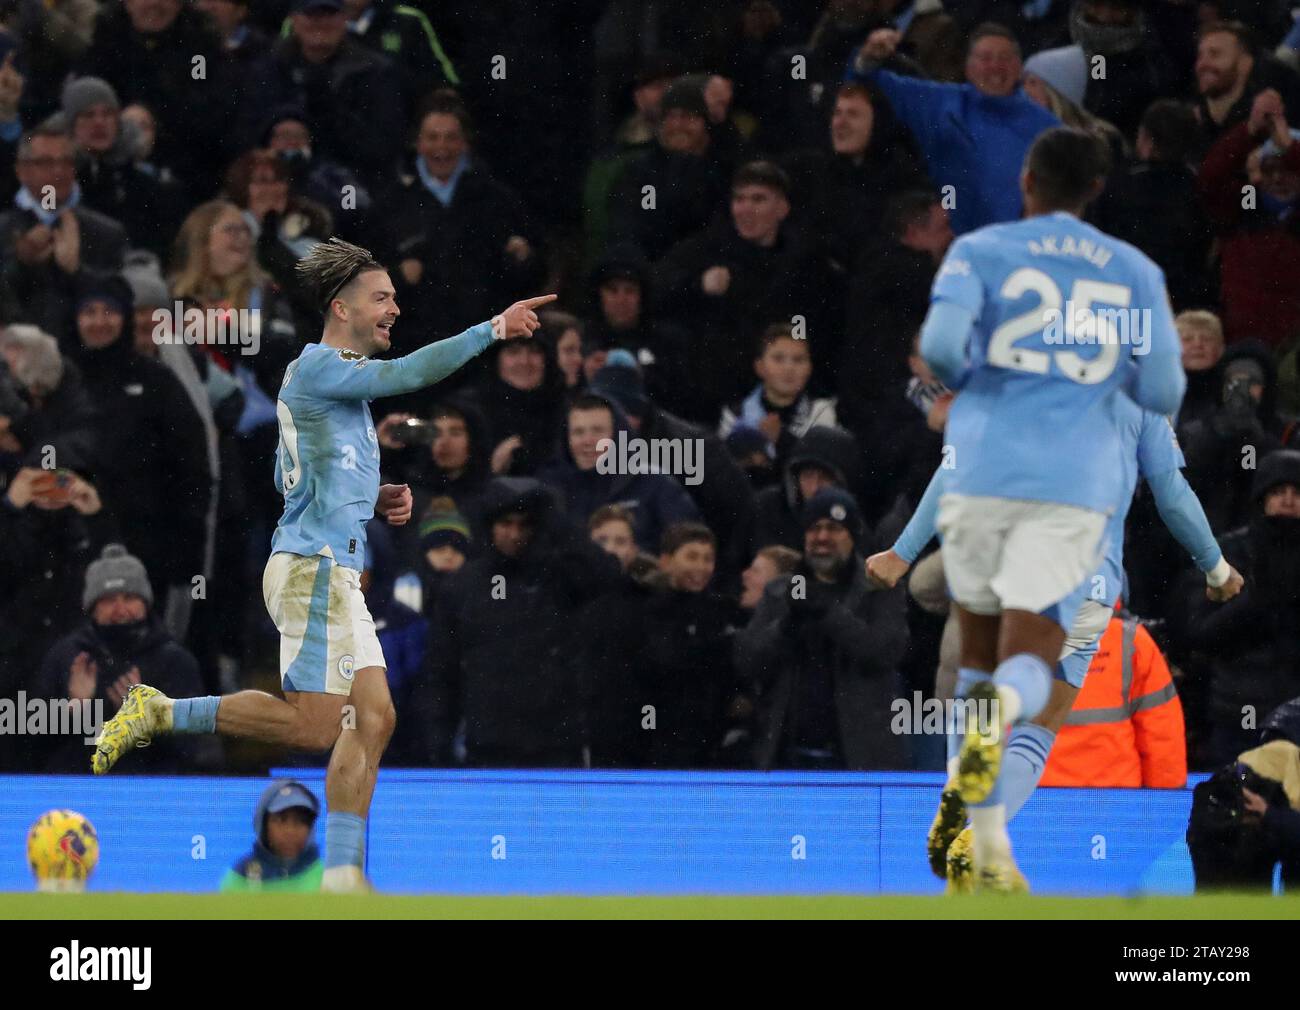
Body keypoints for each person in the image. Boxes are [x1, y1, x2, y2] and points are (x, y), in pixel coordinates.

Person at [89, 237, 555, 894]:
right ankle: (160, 711)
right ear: (342, 307)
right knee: (314, 725)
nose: (395, 307)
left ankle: (340, 874)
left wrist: (376, 495)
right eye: (382, 297)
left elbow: (305, 479)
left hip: (334, 569)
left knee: (375, 717)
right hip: (311, 569)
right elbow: (410, 374)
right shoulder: (318, 367)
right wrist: (492, 329)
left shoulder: (340, 393)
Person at [916, 126, 1187, 890]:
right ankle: (984, 836)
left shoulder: (978, 251)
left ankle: (967, 801)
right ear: (1095, 190)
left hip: (984, 487)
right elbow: (1164, 393)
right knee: (1039, 692)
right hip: (1071, 508)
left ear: (1027, 176)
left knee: (976, 664)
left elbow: (939, 351)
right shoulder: (1132, 272)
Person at [734, 487, 910, 770]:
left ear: (852, 536)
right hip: (785, 757)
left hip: (859, 760)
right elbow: (748, 660)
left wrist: (828, 612)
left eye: (834, 528)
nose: (822, 537)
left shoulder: (880, 589)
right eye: (814, 528)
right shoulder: (780, 593)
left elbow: (885, 651)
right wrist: (786, 626)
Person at [846, 23, 1060, 234]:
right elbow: (868, 79)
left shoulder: (1048, 128)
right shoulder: (939, 103)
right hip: (947, 247)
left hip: (1015, 250)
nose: (995, 66)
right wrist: (870, 56)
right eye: (985, 58)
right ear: (968, 67)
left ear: (1019, 67)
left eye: (1004, 58)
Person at [34, 544, 216, 773]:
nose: (120, 609)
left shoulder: (175, 661)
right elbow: (32, 747)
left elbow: (193, 747)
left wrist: (146, 721)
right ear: (92, 607)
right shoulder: (66, 657)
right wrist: (76, 710)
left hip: (153, 791)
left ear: (145, 603)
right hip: (78, 788)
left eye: (129, 597)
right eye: (109, 599)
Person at [1039, 614, 1187, 789]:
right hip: (1118, 803)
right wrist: (1165, 805)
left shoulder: (1008, 641)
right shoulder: (1129, 640)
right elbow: (1162, 737)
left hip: (1032, 804)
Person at [220, 780, 324, 892]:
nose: (290, 831)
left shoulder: (326, 878)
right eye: (280, 820)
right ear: (263, 824)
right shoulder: (239, 877)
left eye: (300, 821)